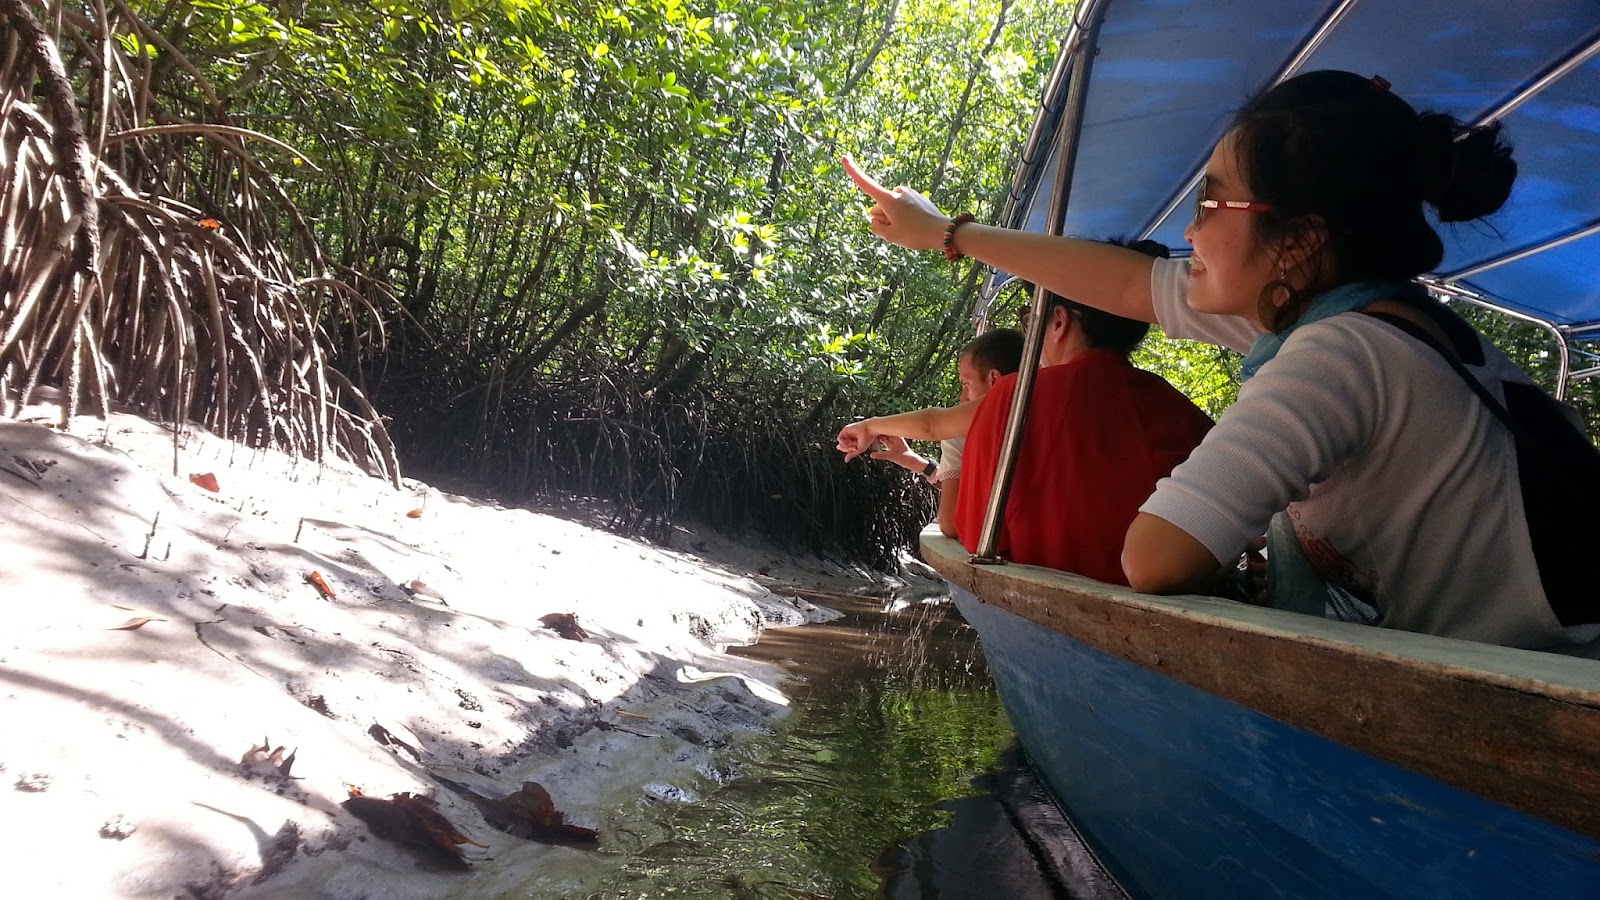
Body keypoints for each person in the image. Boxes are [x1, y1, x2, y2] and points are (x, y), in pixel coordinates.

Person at [843, 69, 1591, 652]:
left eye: (1210, 206)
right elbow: (1131, 283)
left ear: (1298, 242)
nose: (1190, 235)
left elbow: (1156, 558)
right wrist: (946, 233)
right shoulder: (1369, 321)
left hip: (1543, 692)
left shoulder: (1340, 351)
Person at [953, 245, 1214, 586]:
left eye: (1031, 320)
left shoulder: (1013, 399)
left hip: (1040, 604)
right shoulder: (1182, 412)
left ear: (1059, 321)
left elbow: (976, 535)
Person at [850, 328, 1023, 537]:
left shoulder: (967, 431)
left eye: (967, 384)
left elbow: (951, 523)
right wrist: (918, 464)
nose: (963, 397)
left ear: (994, 380)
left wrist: (870, 426)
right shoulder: (1045, 406)